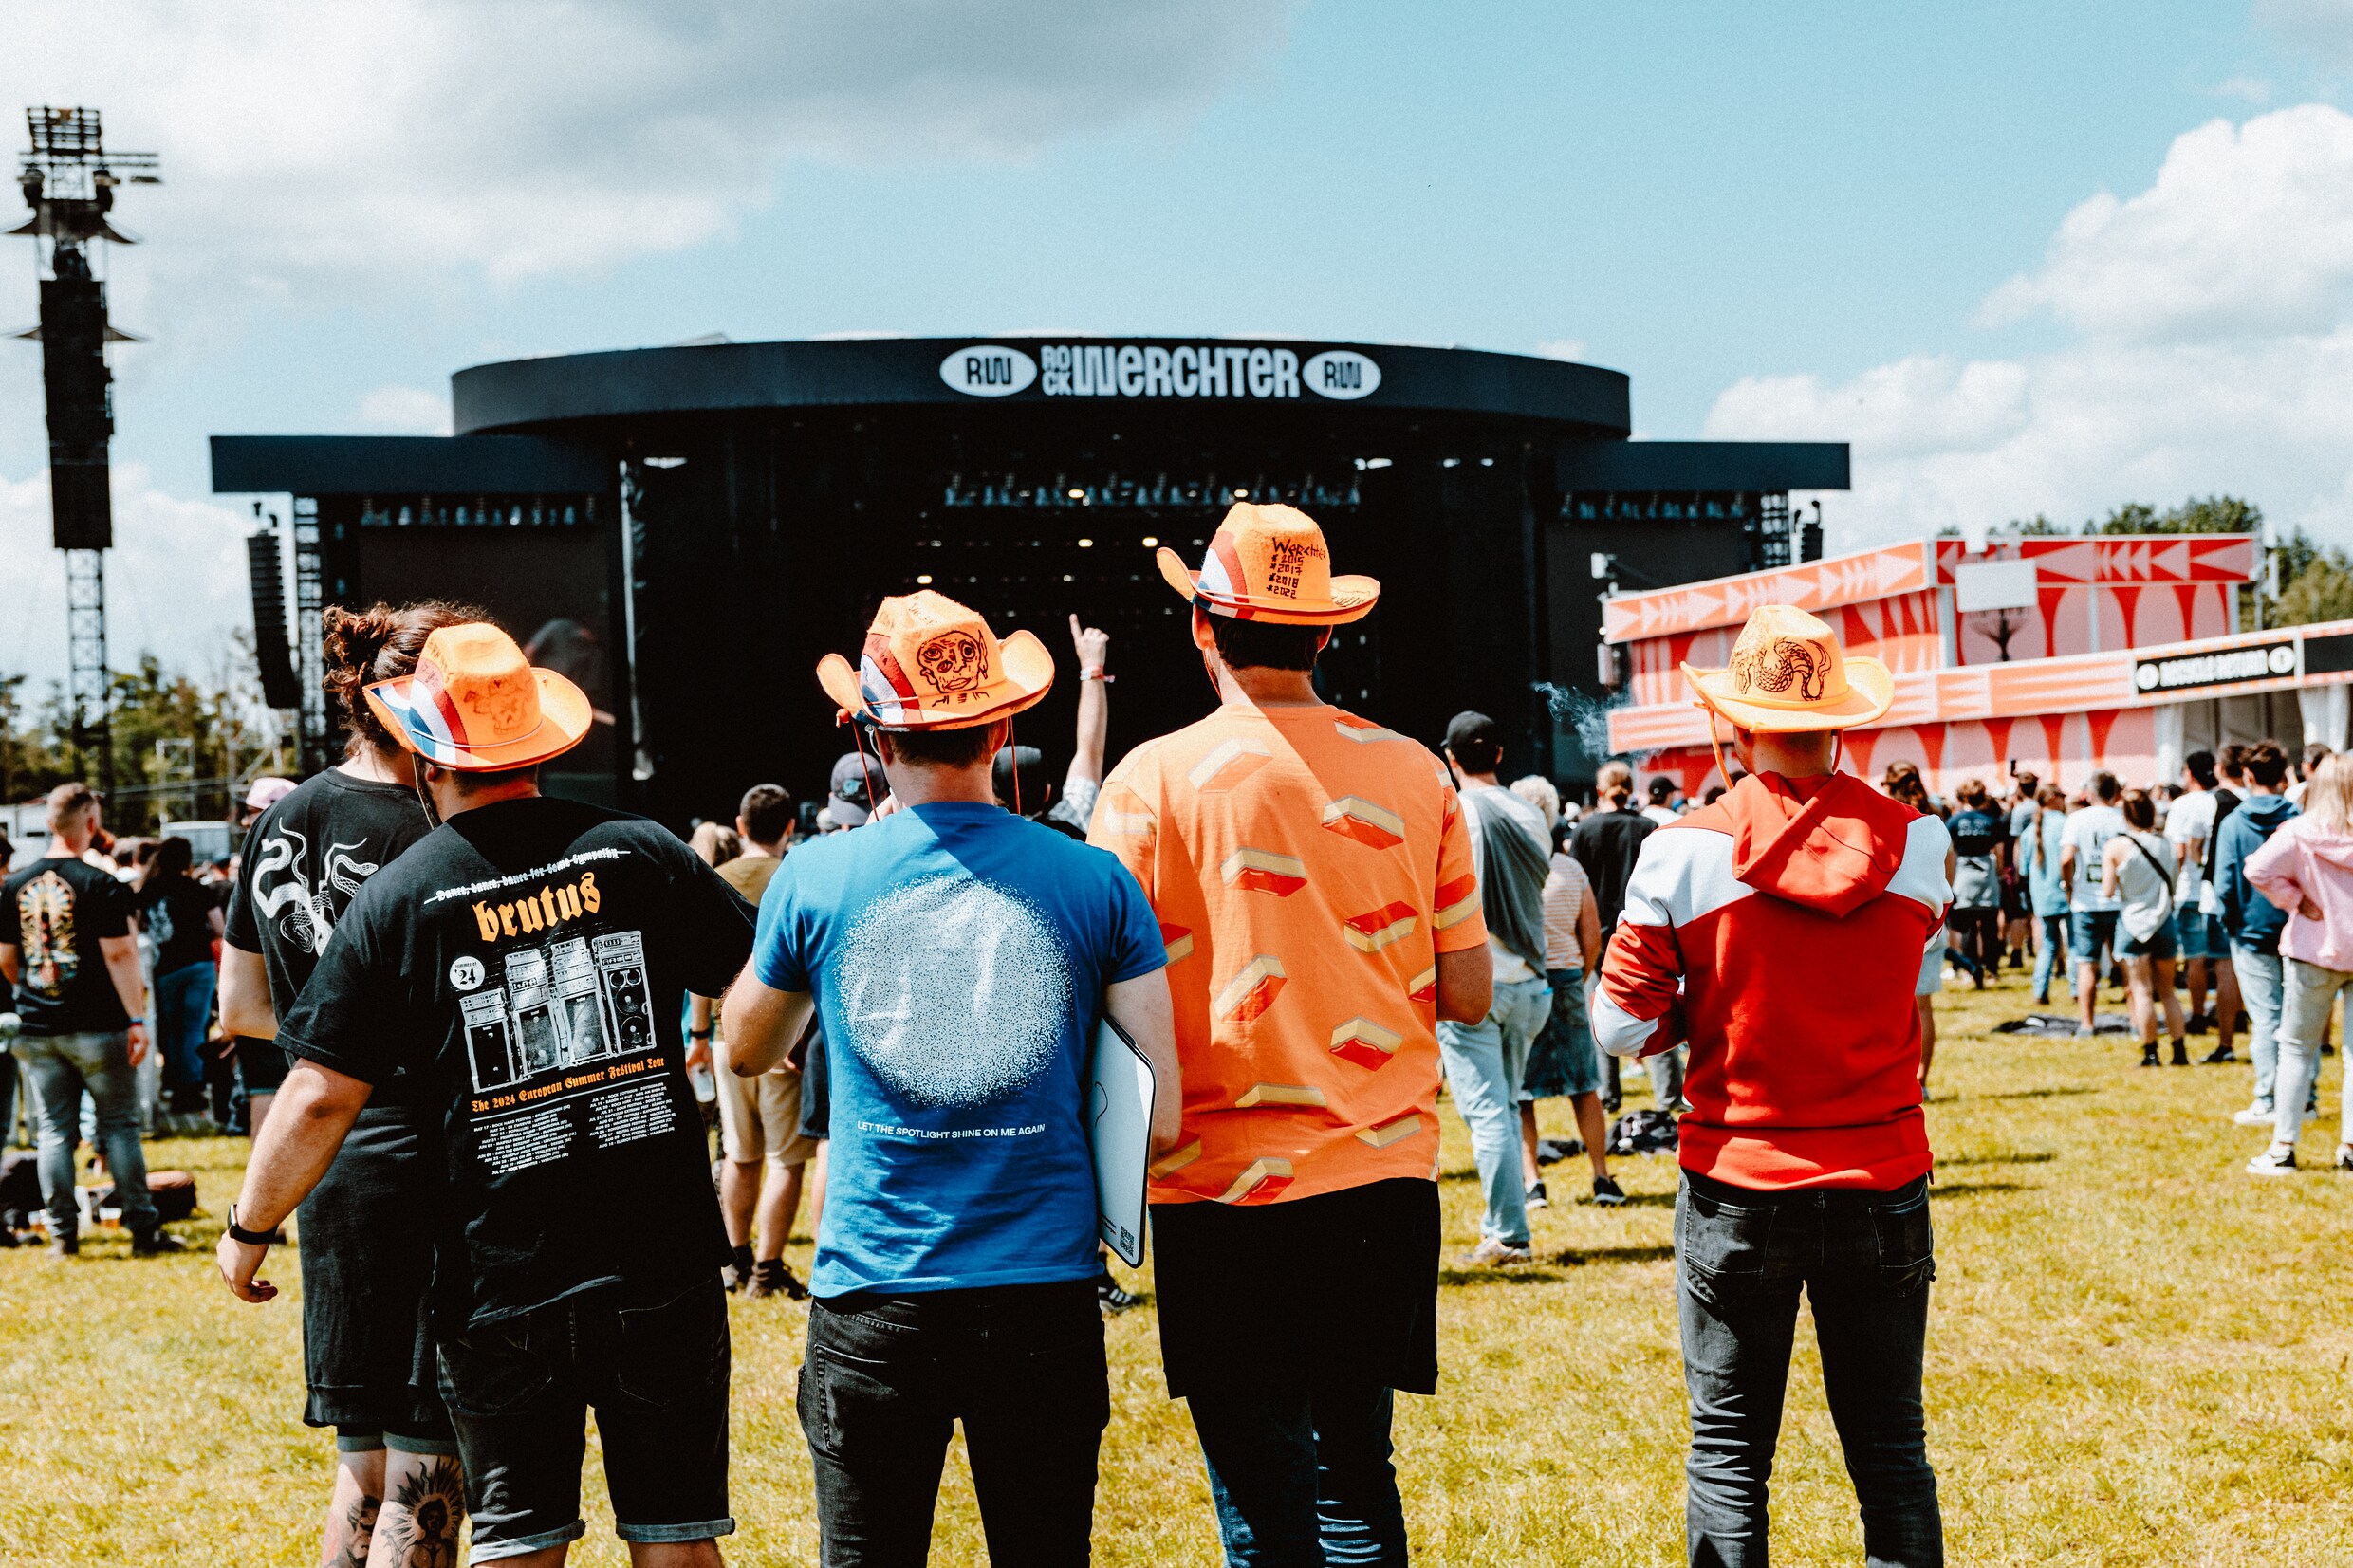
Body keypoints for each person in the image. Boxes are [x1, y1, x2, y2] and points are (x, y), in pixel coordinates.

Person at [218, 619, 757, 1567]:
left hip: (500, 1270)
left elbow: (315, 1095)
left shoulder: (399, 899)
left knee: (517, 1542)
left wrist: (249, 1227)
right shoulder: (636, 851)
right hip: (658, 1260)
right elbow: (760, 978)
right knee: (676, 1538)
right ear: (541, 746)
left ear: (431, 759)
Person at [721, 589, 1177, 1566]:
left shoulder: (815, 878)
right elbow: (1160, 1119)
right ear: (1001, 725)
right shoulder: (1096, 880)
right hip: (1043, 1290)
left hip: (874, 1294)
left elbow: (745, 1048)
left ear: (872, 738)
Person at [1091, 504, 1491, 1565]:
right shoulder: (1417, 772)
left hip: (1215, 1186)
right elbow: (1465, 991)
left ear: (1202, 631)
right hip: (1378, 1174)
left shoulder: (1146, 782)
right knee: (1355, 1475)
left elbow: (1096, 1000)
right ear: (1323, 635)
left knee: (1260, 1501)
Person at [1594, 603, 1952, 1567]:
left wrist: (1693, 1015)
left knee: (1726, 1452)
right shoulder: (1917, 846)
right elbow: (1912, 985)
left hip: (1737, 1179)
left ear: (1736, 727)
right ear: (1839, 722)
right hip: (1879, 1175)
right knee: (1889, 1449)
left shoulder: (1678, 850)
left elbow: (1618, 1024)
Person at [218, 601, 475, 1568]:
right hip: (431, 1150)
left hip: (330, 1161)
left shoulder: (283, 817)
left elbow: (242, 1007)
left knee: (364, 1460)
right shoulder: (445, 816)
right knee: (428, 1463)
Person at [0, 784, 172, 1257]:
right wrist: (136, 1018)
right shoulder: (101, 883)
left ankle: (63, 1237)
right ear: (91, 824)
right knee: (118, 1126)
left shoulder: (15, 885)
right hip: (99, 1025)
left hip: (38, 1026)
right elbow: (119, 955)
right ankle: (143, 1229)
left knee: (54, 1132)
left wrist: (33, 992)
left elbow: (8, 960)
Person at [1429, 710, 1554, 1263]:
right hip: (1531, 983)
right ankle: (1509, 1224)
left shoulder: (1460, 814)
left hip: (1479, 987)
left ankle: (1508, 1233)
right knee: (1503, 1105)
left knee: (1488, 1115)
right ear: (1500, 755)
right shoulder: (1532, 813)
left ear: (1452, 759)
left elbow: (1460, 904)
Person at [702, 783, 815, 1301]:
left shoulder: (713, 876)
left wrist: (700, 1036)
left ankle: (732, 1261)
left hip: (725, 1039)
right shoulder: (795, 876)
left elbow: (695, 968)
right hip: (779, 1040)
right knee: (785, 1160)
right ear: (790, 827)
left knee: (740, 1153)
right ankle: (766, 1272)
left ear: (741, 826)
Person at [2244, 753, 2353, 1174]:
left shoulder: (2300, 832)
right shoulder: (2300, 831)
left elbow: (2257, 869)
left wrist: (2294, 900)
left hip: (2313, 951)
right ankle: (2348, 1147)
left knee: (2294, 1050)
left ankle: (2283, 1147)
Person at [1521, 798, 1621, 1208]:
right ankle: (1601, 1177)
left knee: (1521, 1092)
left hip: (1525, 981)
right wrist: (1577, 978)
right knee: (1584, 1085)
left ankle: (1533, 1185)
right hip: (1565, 981)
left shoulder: (1513, 868)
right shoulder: (1570, 869)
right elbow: (1591, 935)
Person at [2214, 742, 2304, 1132]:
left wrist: (2230, 921)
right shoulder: (2299, 817)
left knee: (2265, 1019)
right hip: (2296, 927)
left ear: (2248, 776)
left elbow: (2224, 882)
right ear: (2283, 774)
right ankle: (2305, 1098)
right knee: (2297, 1021)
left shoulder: (2234, 822)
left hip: (2250, 931)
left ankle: (2269, 1098)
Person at [1572, 760, 1659, 1112]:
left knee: (1599, 1015)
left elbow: (1579, 887)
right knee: (1658, 1008)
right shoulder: (1648, 828)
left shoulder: (1585, 830)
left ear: (1599, 791)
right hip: (1643, 930)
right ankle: (1668, 1092)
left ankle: (1609, 1094)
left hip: (1598, 932)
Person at [992, 614, 1113, 837]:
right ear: (1047, 792)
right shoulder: (1068, 824)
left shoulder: (964, 844)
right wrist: (1091, 667)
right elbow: (1090, 752)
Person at [137, 835, 224, 1124]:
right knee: (194, 1027)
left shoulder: (149, 890)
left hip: (164, 968)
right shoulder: (199, 890)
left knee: (169, 1028)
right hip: (198, 964)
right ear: (187, 860)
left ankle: (173, 1082)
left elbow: (138, 925)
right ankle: (192, 1085)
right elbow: (219, 927)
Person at [2103, 789, 2188, 1067]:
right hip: (2163, 920)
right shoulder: (2167, 843)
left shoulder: (2116, 847)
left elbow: (2108, 890)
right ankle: (2179, 1050)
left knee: (2141, 990)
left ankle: (2151, 1052)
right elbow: (2174, 880)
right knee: (2168, 991)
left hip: (2133, 922)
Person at [2166, 749, 2241, 1061]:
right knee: (2226, 964)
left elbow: (2181, 850)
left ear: (2189, 773)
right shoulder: (2227, 800)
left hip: (2190, 890)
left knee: (2195, 958)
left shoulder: (2183, 804)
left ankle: (2197, 1013)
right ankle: (2232, 1018)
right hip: (2219, 891)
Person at [1883, 766, 1946, 1083]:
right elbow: (1951, 866)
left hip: (1892, 919)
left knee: (1889, 1008)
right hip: (1932, 914)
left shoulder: (1886, 817)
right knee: (1923, 1007)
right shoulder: (1934, 818)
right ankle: (1920, 1080)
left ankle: (1898, 1078)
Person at [2061, 771, 2129, 1037]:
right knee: (2126, 963)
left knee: (2086, 964)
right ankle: (2136, 1021)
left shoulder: (2077, 819)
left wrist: (2068, 885)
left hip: (2085, 901)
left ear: (2089, 793)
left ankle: (2087, 1024)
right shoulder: (2122, 819)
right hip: (2118, 900)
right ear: (2115, 793)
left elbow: (2066, 859)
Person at [1945, 781, 2003, 989]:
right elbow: (1999, 851)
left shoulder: (1954, 821)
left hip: (1963, 873)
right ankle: (1993, 970)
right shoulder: (1991, 821)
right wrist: (2000, 874)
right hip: (1986, 871)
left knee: (1968, 926)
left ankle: (1972, 969)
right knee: (1989, 925)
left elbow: (1948, 850)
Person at [2022, 784, 2072, 1006]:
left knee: (2048, 944)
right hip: (2068, 892)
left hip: (2042, 895)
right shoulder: (2067, 825)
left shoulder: (2028, 832)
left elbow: (2023, 868)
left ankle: (2040, 989)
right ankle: (2077, 988)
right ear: (2053, 798)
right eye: (2062, 796)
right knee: (2076, 945)